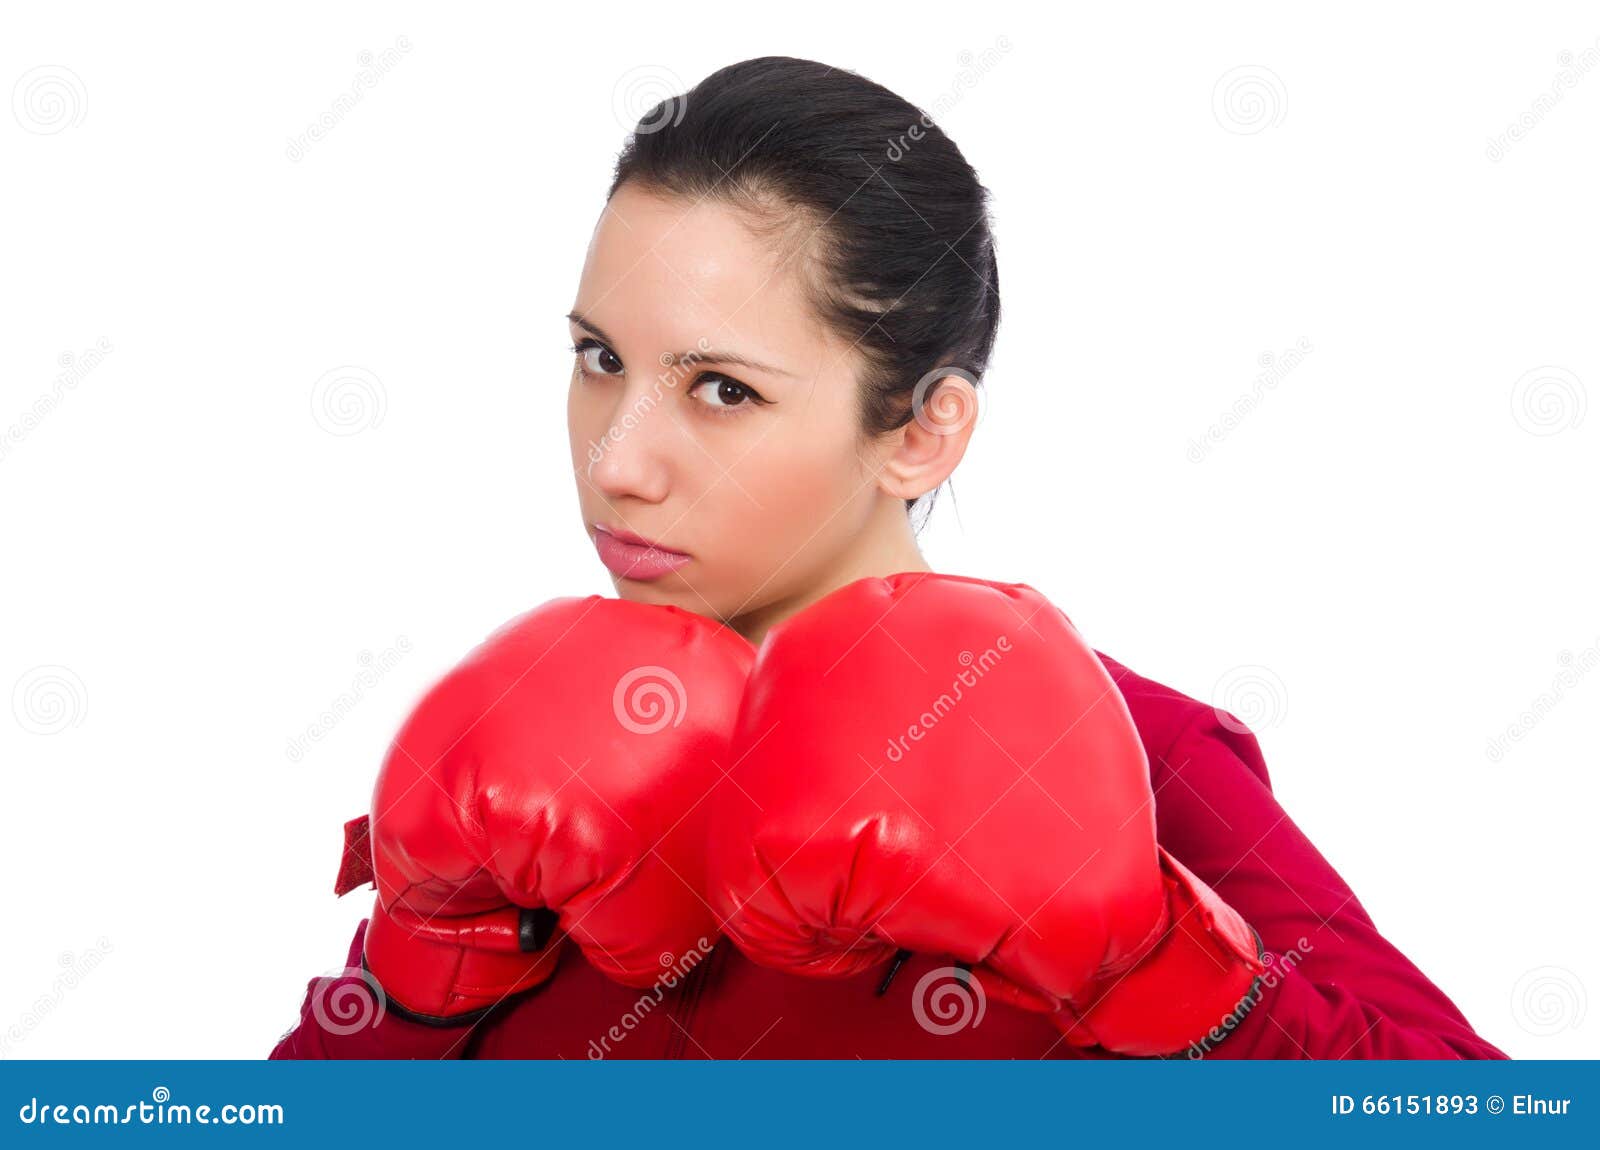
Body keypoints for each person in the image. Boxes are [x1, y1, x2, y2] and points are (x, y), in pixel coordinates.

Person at [271, 56, 1506, 1060]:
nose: (616, 463)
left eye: (719, 389)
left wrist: (1163, 975)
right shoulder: (514, 756)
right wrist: (423, 973)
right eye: (601, 359)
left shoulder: (1132, 753)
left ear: (921, 429)